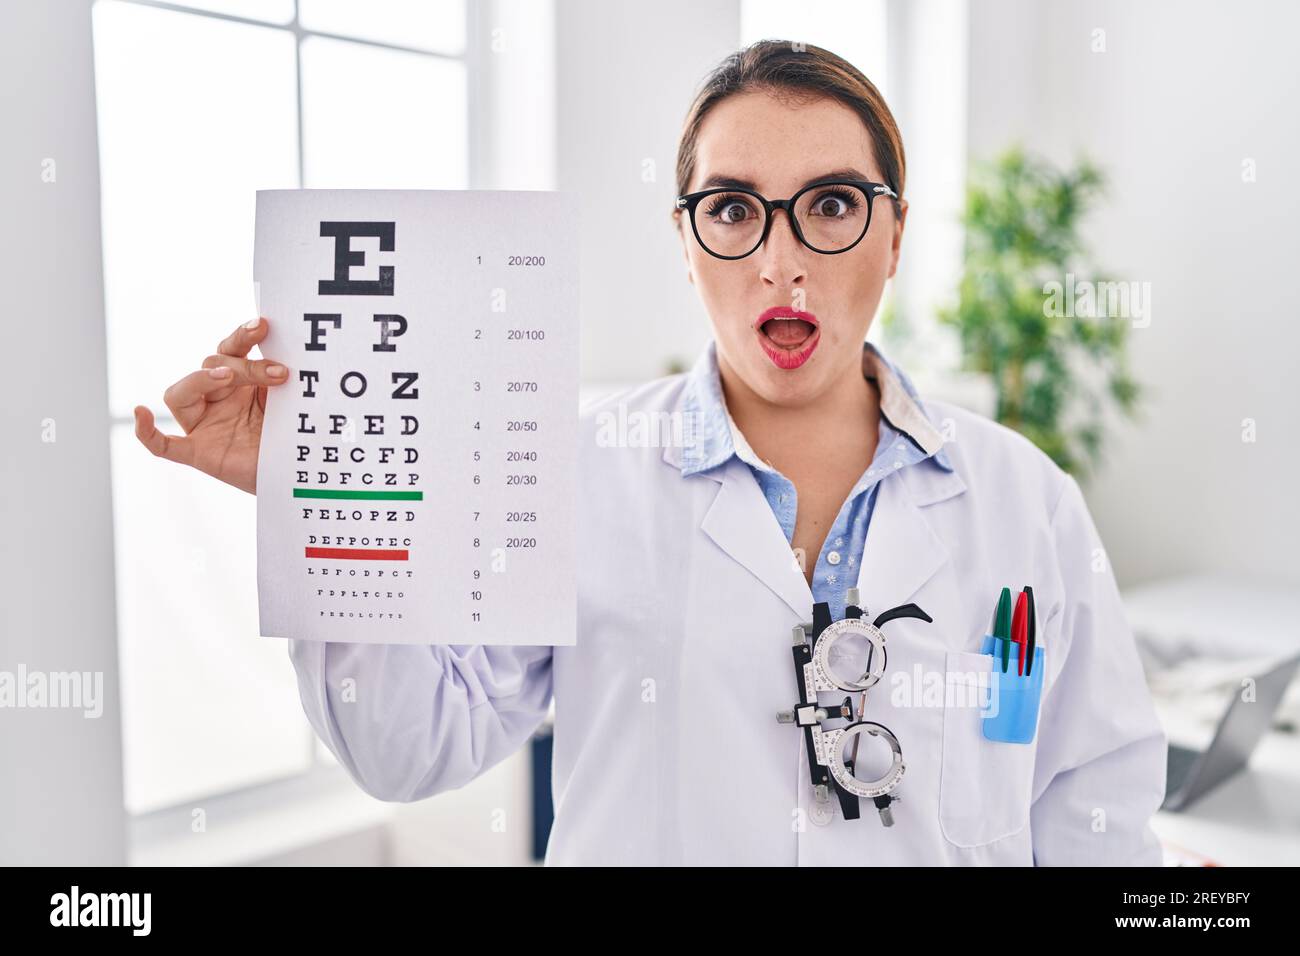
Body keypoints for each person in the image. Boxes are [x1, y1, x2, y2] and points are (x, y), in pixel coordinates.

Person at [134, 40, 1166, 865]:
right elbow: (404, 747)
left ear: (893, 236)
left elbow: (1096, 804)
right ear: (684, 242)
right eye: (731, 210)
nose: (780, 261)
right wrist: (327, 495)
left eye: (833, 205)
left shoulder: (1025, 498)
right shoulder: (570, 469)